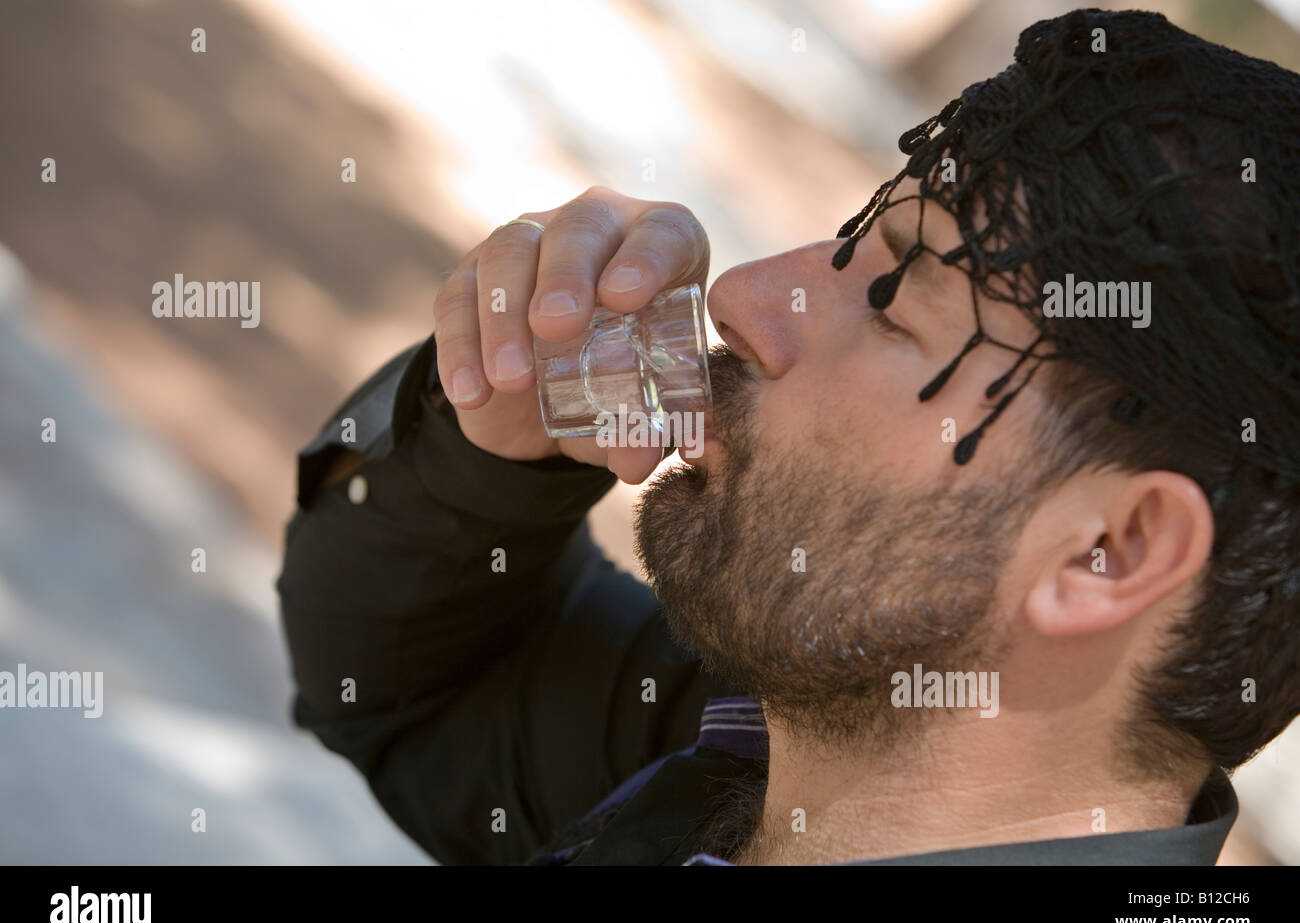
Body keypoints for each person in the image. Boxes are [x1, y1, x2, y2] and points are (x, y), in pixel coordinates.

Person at [276, 9, 1300, 865]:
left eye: (897, 302)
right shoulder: (750, 742)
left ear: (1107, 551)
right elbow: (413, 702)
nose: (743, 293)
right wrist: (488, 451)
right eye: (854, 243)